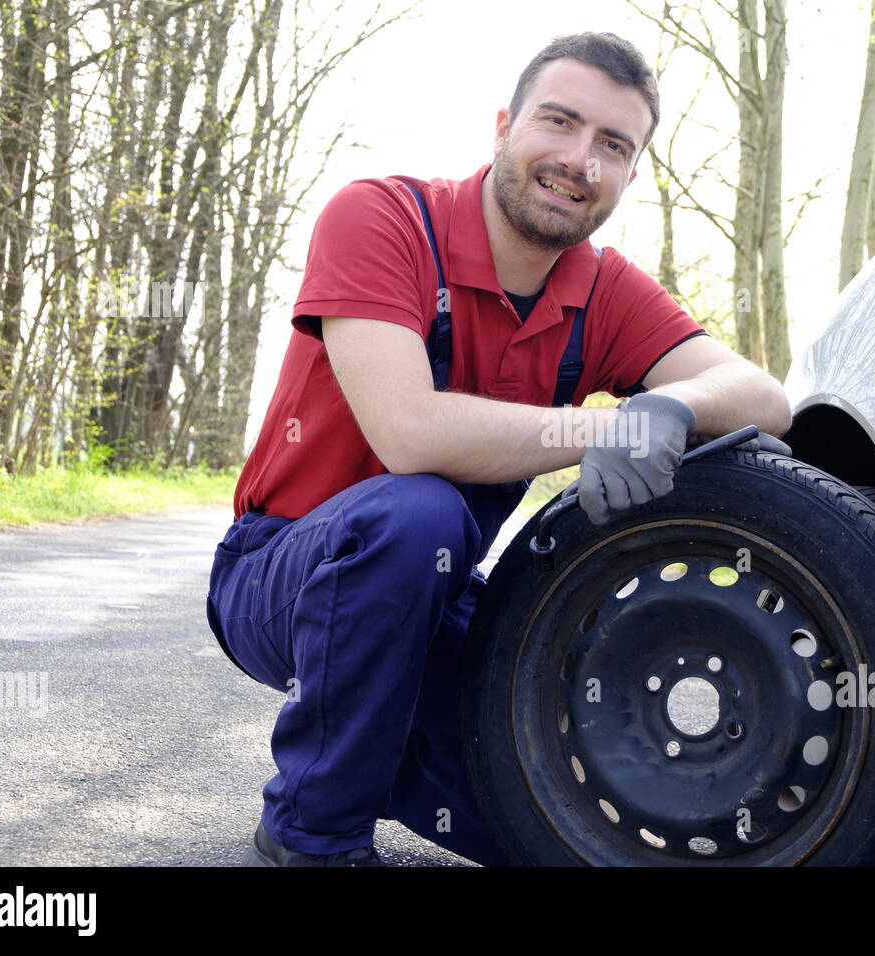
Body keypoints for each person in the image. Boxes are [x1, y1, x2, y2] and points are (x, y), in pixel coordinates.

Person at [205, 31, 792, 867]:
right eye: (559, 121)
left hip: (442, 596)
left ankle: (388, 733)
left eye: (613, 146)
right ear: (503, 127)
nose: (579, 159)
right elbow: (409, 434)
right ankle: (313, 833)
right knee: (419, 513)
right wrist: (604, 428)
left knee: (573, 827)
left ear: (629, 173)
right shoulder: (382, 216)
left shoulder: (603, 288)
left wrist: (666, 404)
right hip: (284, 576)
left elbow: (765, 401)